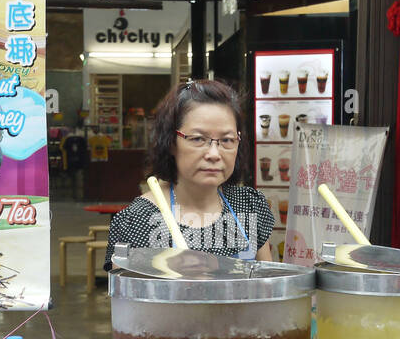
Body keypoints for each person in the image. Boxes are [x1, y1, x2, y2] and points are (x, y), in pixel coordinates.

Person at [104, 79, 275, 269]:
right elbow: (126, 297)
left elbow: (269, 288)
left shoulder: (249, 206)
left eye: (227, 140)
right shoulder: (139, 219)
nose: (214, 154)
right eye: (198, 139)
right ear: (170, 142)